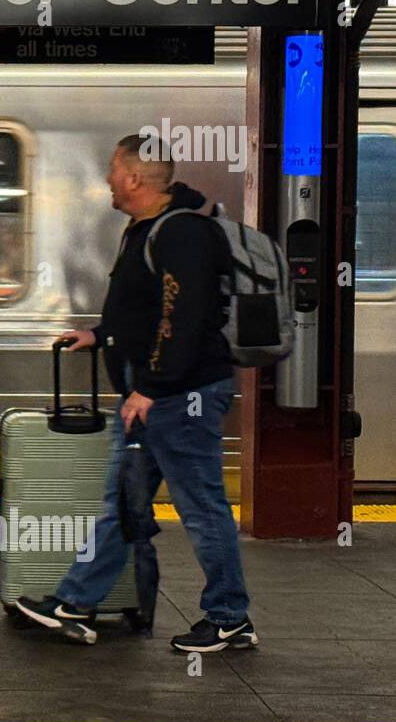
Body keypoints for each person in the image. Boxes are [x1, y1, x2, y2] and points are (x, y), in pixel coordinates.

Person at [14, 134, 257, 653]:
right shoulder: (144, 230)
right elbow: (144, 310)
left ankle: (229, 616)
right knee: (123, 501)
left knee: (201, 506)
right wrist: (101, 335)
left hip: (179, 395)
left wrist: (149, 387)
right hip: (154, 395)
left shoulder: (182, 233)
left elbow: (183, 317)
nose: (105, 179)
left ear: (132, 177)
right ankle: (76, 604)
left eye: (111, 168)